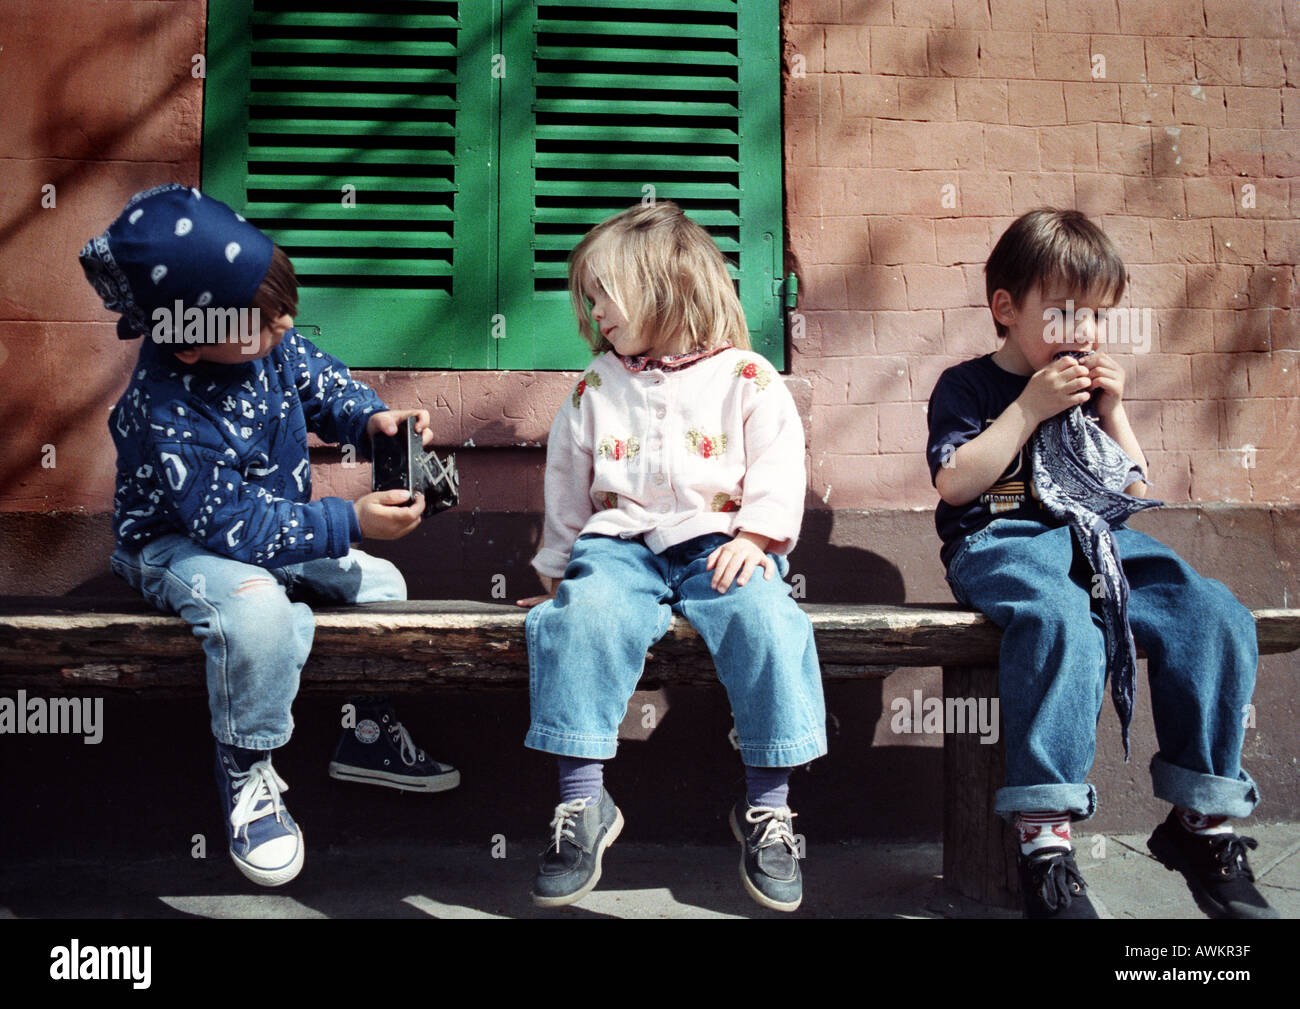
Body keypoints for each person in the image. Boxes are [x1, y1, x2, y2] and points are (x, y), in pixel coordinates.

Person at [79, 183, 457, 887]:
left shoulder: (269, 344)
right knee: (256, 608)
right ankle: (247, 762)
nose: (286, 325)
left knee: (384, 584)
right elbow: (232, 527)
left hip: (265, 538)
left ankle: (364, 732)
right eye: (264, 319)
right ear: (189, 342)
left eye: (286, 305)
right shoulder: (167, 405)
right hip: (179, 547)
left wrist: (373, 422)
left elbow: (326, 387)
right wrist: (349, 519)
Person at [926, 208, 1275, 919]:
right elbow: (955, 482)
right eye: (1063, 313)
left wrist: (1115, 413)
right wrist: (1026, 409)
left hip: (1101, 542)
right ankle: (1045, 841)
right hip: (1001, 541)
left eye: (1096, 316)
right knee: (1064, 624)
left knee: (1213, 613)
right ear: (1005, 308)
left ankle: (1201, 821)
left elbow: (1136, 492)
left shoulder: (1087, 392)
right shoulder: (967, 387)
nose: (1082, 332)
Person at [516, 202, 826, 912]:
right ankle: (582, 803)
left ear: (661, 286)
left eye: (602, 293)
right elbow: (566, 480)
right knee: (582, 622)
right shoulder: (597, 384)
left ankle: (768, 808)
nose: (593, 312)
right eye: (589, 297)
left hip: (724, 542)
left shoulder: (747, 377)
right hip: (618, 546)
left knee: (772, 625)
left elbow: (780, 463)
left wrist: (758, 536)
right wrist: (562, 577)